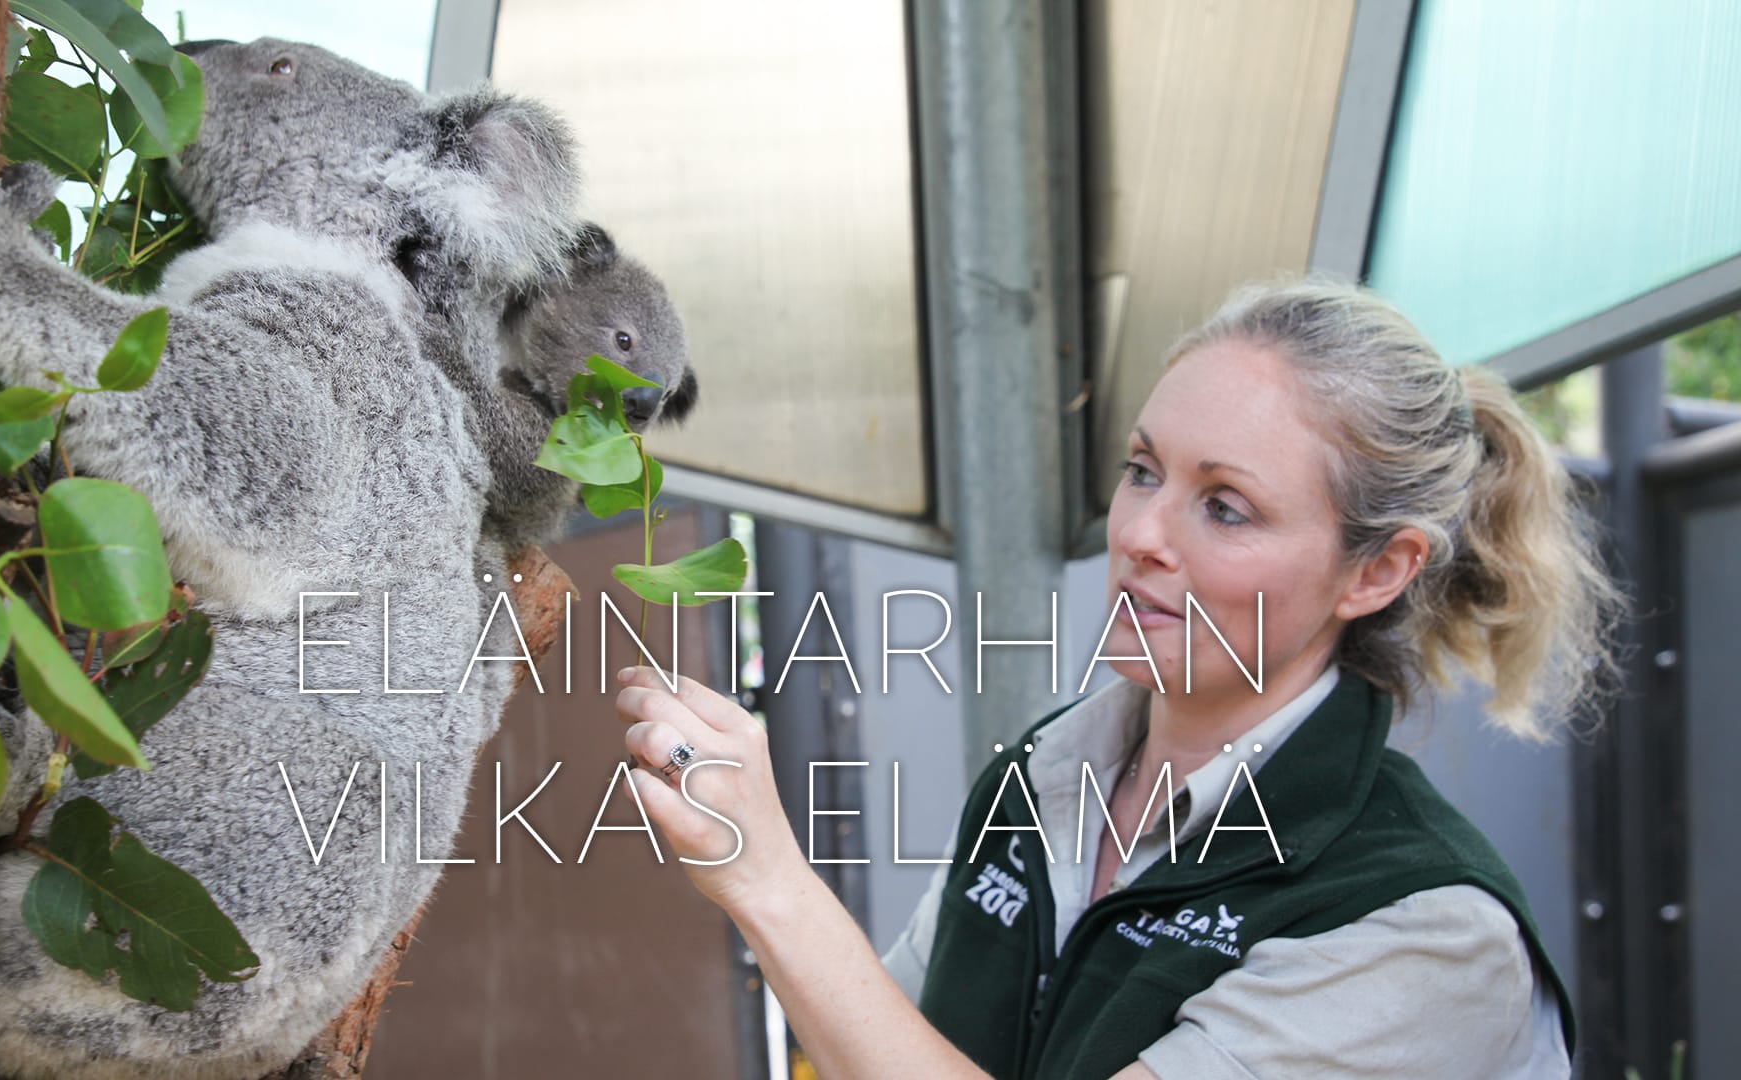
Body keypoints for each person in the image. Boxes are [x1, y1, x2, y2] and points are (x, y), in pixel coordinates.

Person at [610, 278, 1625, 1079]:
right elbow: (882, 1046)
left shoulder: (1420, 926)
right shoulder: (1039, 784)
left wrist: (771, 883)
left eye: (1225, 507)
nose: (1139, 535)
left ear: (1378, 570)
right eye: (1145, 470)